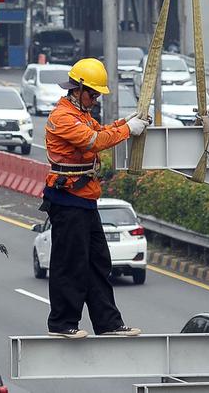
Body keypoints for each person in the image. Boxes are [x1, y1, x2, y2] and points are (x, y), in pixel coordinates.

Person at [42, 58, 147, 339]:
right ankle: (62, 323)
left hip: (84, 199)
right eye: (92, 93)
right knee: (70, 262)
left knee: (98, 262)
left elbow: (100, 131)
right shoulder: (63, 117)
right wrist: (127, 130)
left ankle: (108, 322)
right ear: (77, 89)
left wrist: (127, 121)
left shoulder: (81, 114)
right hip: (67, 200)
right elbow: (94, 141)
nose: (95, 98)